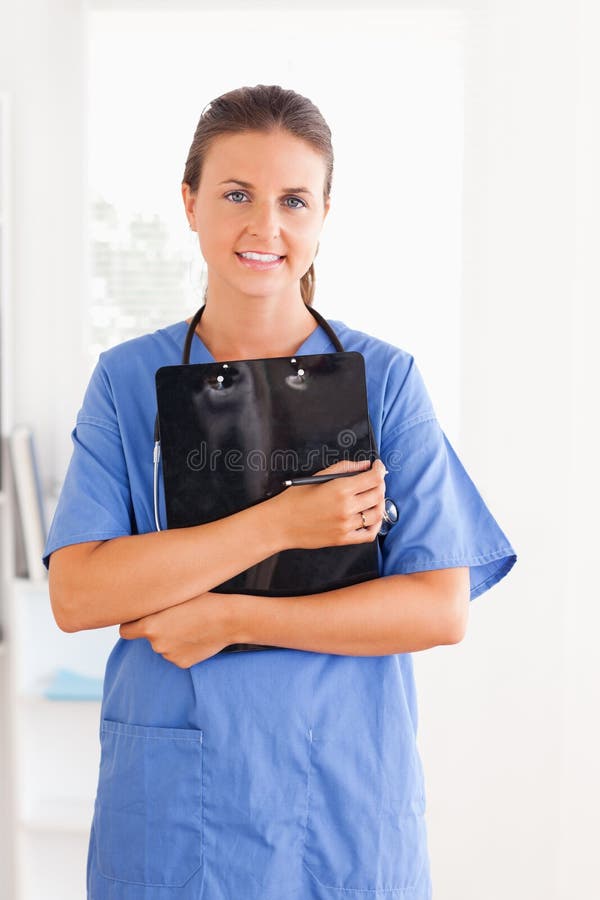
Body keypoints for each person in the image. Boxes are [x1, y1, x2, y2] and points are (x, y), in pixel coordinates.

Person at [42, 84, 517, 900]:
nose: (265, 226)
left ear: (325, 214)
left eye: (294, 199)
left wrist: (227, 615)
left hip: (340, 790)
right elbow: (79, 593)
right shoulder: (126, 382)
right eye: (236, 195)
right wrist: (282, 523)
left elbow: (438, 609)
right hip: (172, 796)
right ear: (189, 204)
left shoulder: (388, 383)